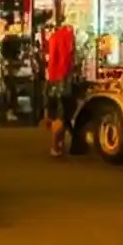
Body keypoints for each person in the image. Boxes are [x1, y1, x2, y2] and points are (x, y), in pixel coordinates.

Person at [45, 14, 76, 157]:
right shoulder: (71, 37)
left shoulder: (55, 38)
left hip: (56, 77)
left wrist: (50, 79)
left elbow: (52, 61)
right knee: (64, 114)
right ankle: (61, 144)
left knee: (56, 115)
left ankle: (55, 146)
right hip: (67, 78)